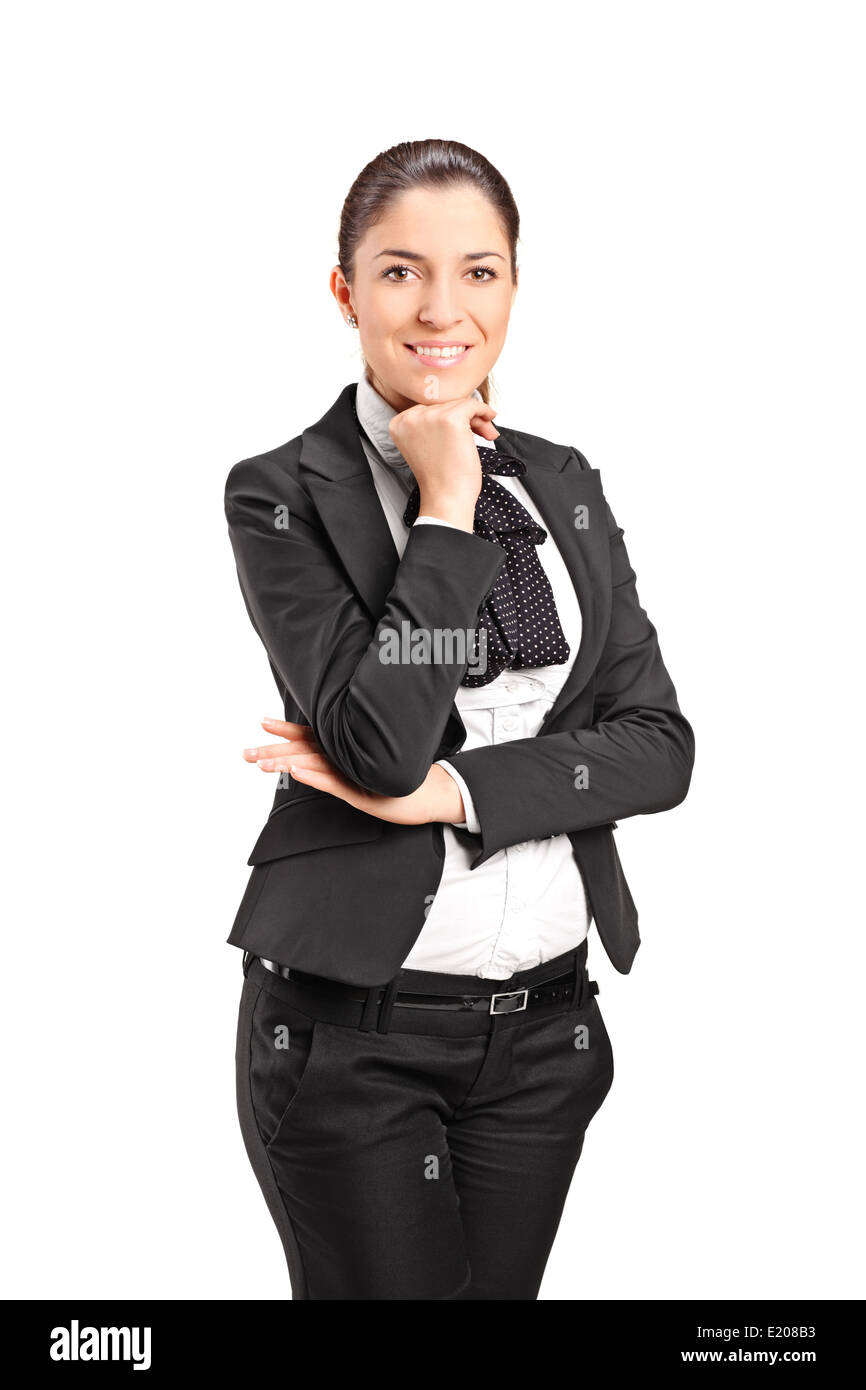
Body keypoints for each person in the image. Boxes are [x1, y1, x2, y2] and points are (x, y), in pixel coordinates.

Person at [225, 138, 695, 1300]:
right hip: (354, 1040)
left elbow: (656, 745)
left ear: (513, 286)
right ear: (345, 293)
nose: (442, 308)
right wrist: (445, 509)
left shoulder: (564, 479)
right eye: (398, 272)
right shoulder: (282, 492)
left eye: (477, 271)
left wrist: (459, 793)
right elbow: (381, 732)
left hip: (542, 1033)